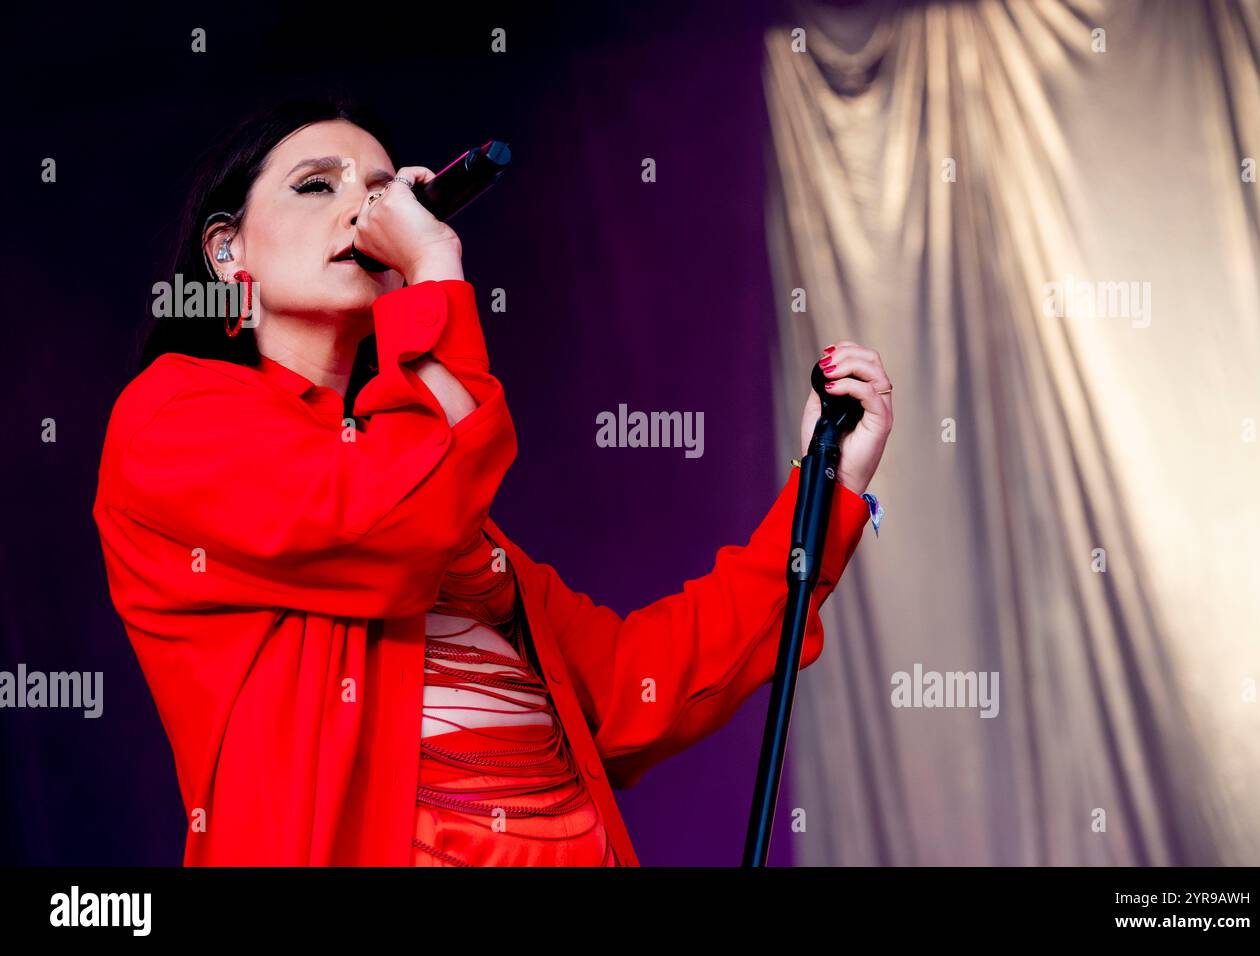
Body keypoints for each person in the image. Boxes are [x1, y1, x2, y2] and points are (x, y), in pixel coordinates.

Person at [92, 95, 894, 866]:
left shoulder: (434, 493)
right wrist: (434, 267)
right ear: (226, 250)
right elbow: (392, 518)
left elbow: (633, 690)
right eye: (317, 186)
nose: (364, 212)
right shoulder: (172, 417)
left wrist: (824, 496)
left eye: (381, 193)